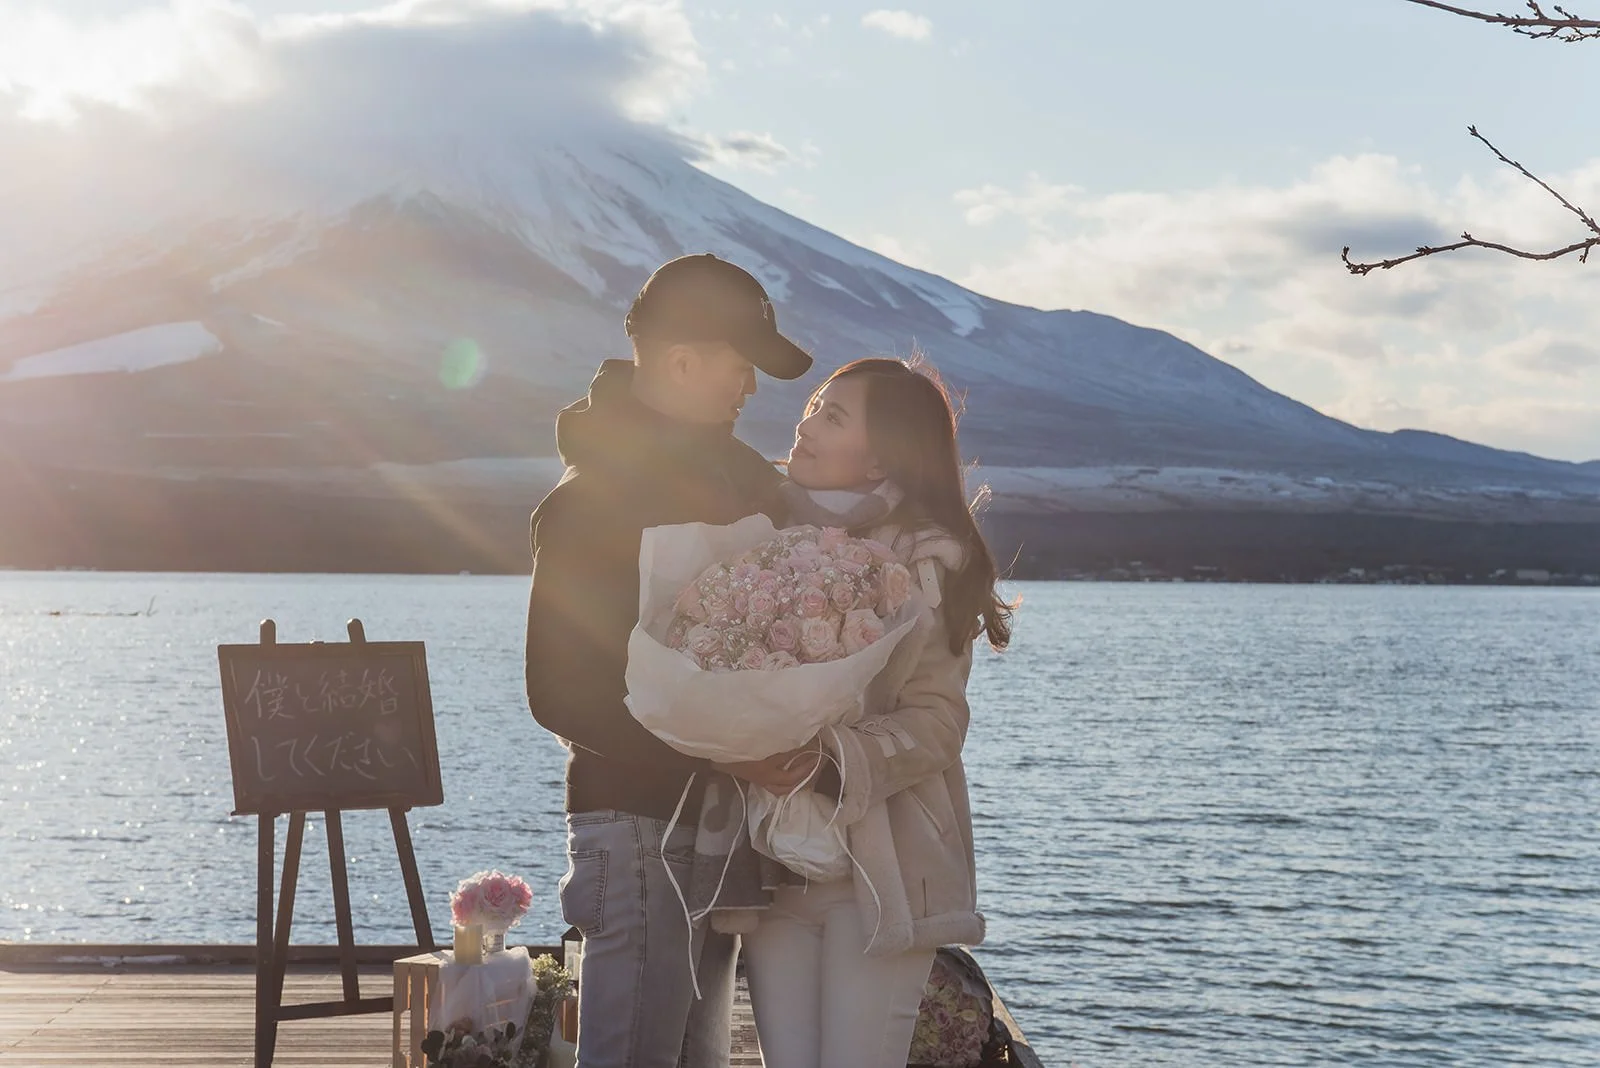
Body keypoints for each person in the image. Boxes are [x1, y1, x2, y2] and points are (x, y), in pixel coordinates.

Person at [524, 253, 814, 1068]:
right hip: (637, 824)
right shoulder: (589, 504)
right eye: (741, 365)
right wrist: (733, 751)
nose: (751, 389)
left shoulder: (742, 483)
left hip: (714, 825)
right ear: (682, 362)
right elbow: (557, 692)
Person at [739, 357, 1014, 1068]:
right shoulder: (752, 536)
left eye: (832, 416)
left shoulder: (928, 560)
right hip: (775, 867)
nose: (804, 425)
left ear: (882, 458)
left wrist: (831, 762)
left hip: (880, 873)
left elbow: (938, 723)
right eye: (811, 408)